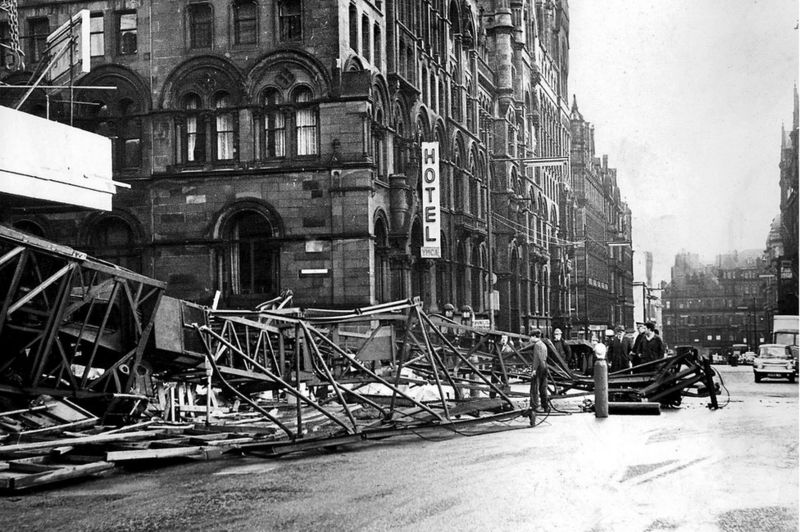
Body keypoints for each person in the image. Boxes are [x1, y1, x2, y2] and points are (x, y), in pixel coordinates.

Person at [528, 329, 549, 422]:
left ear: (534, 337)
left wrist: (534, 370)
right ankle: (545, 406)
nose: (530, 338)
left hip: (539, 367)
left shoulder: (537, 345)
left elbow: (537, 358)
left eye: (531, 336)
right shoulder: (543, 344)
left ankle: (534, 406)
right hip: (544, 366)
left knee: (534, 388)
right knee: (543, 388)